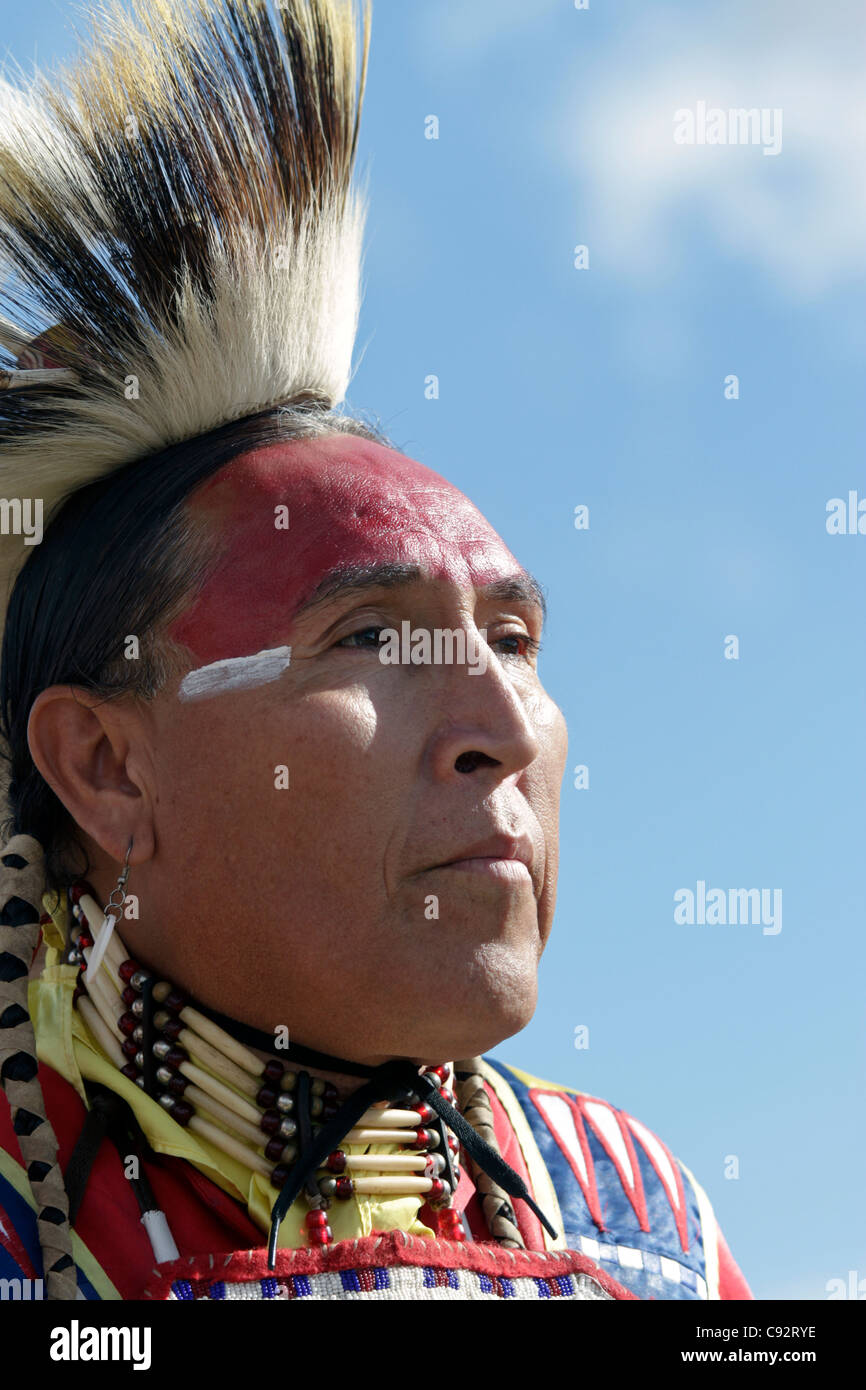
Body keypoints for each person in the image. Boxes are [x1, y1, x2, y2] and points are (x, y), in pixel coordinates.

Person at [0, 0, 751, 1302]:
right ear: (108, 767)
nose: (502, 727)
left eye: (514, 639)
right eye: (368, 637)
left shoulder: (645, 1229)